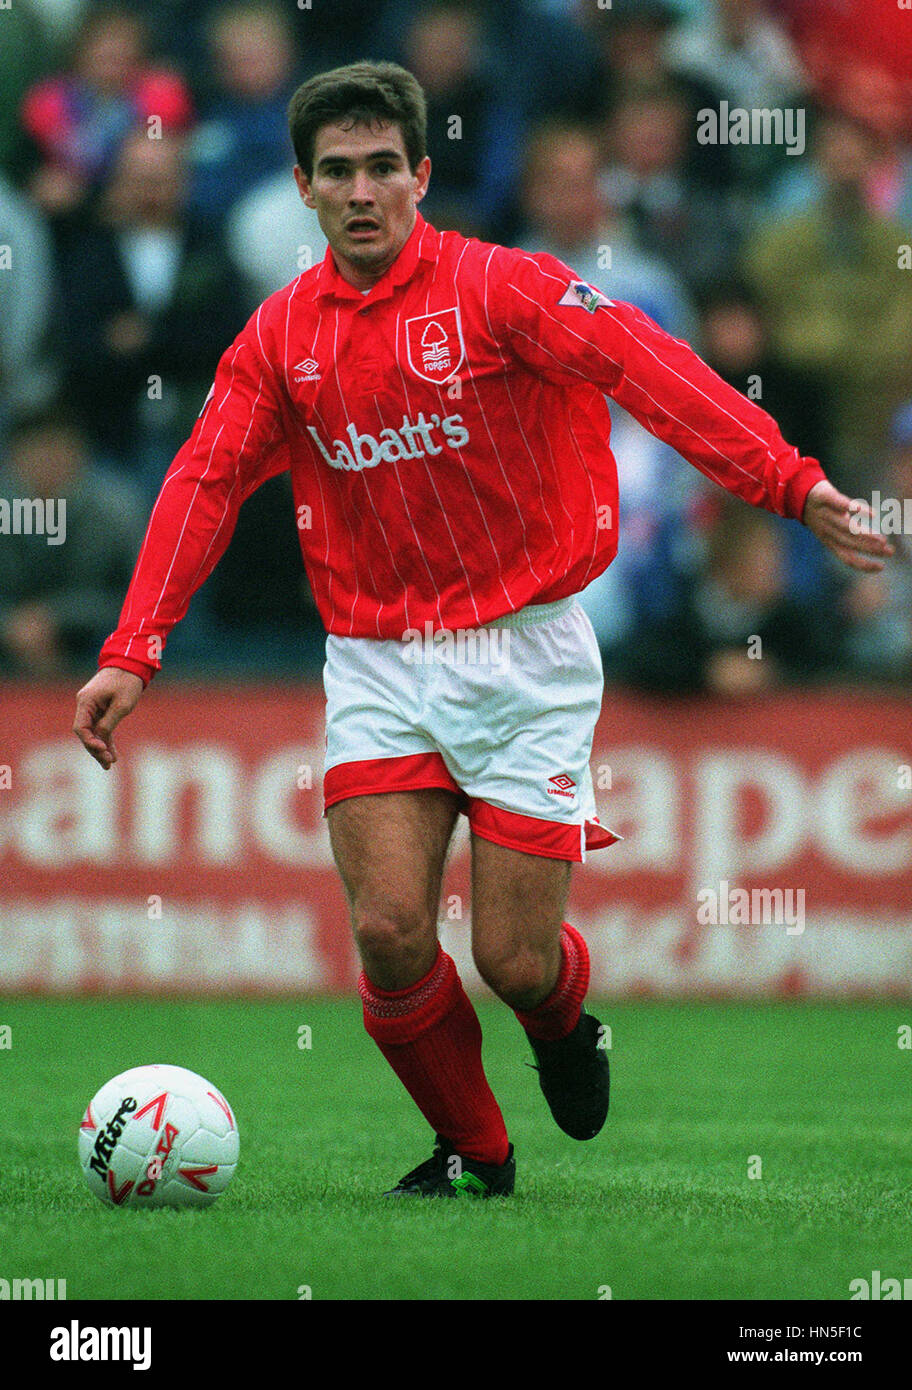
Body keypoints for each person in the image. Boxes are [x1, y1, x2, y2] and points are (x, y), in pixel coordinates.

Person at [72, 60, 892, 1198]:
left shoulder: (505, 290)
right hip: (377, 661)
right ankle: (477, 1153)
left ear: (420, 175)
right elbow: (205, 480)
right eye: (335, 174)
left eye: (379, 169)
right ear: (304, 192)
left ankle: (565, 1025)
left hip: (529, 652)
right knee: (394, 930)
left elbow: (647, 366)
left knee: (512, 958)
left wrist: (792, 483)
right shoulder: (280, 338)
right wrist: (132, 647)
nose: (360, 192)